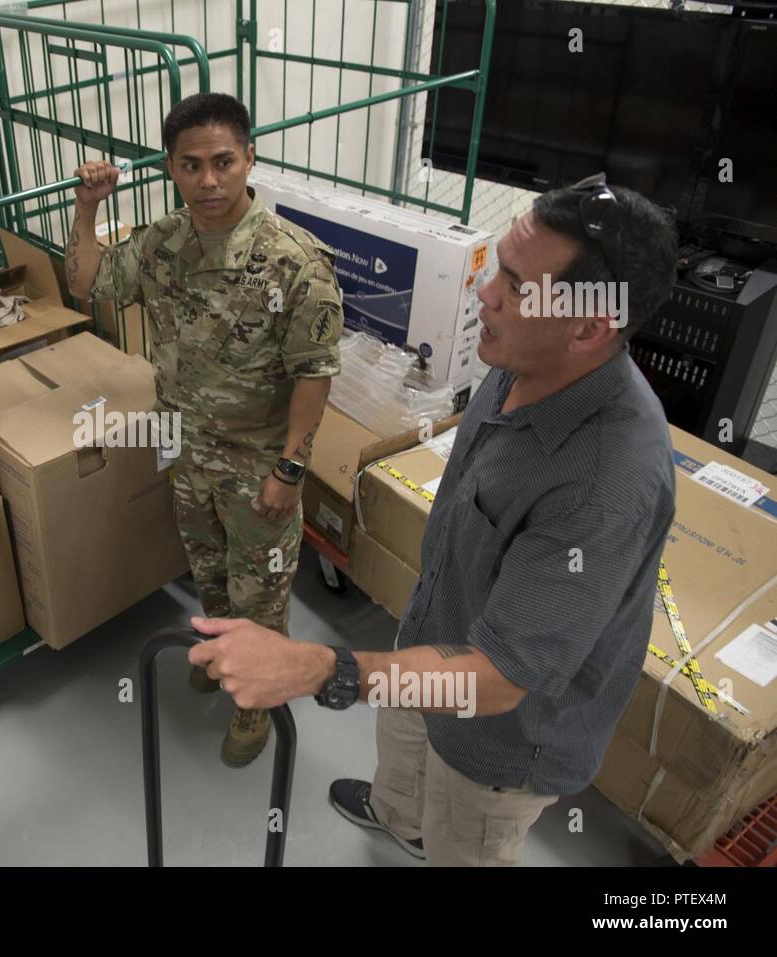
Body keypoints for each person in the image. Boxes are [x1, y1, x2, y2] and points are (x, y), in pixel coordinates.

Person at [189, 174, 678, 864]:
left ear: (590, 326)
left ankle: (436, 837)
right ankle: (401, 819)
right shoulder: (522, 357)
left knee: (462, 837)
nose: (485, 296)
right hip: (430, 641)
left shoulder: (603, 483)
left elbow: (498, 679)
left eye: (513, 283)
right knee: (407, 769)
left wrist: (319, 668)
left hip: (494, 738)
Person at [66, 93, 344, 767]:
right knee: (211, 577)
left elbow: (315, 373)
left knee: (262, 590)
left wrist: (289, 470)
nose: (209, 180)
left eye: (224, 161)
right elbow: (85, 283)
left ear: (250, 158)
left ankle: (257, 705)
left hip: (258, 466)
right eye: (192, 165)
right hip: (188, 452)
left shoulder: (294, 262)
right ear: (171, 169)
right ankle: (223, 660)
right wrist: (88, 207)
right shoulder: (164, 243)